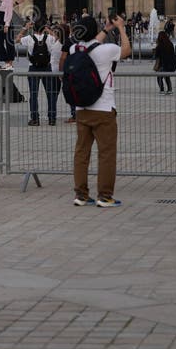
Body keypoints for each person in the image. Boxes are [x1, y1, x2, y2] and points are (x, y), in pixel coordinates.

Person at [69, 14, 131, 208]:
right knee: (106, 154)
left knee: (81, 153)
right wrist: (120, 28)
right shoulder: (108, 50)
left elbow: (91, 43)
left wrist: (106, 29)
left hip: (81, 108)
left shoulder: (74, 49)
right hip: (103, 108)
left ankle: (81, 194)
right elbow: (126, 51)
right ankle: (104, 196)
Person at [16, 19, 59, 126]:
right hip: (46, 67)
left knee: (33, 94)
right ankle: (52, 118)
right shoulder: (49, 38)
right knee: (50, 94)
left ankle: (35, 119)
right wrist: (48, 30)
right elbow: (58, 38)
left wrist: (25, 28)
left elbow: (17, 40)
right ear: (44, 28)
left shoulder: (28, 39)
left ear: (33, 28)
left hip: (33, 68)